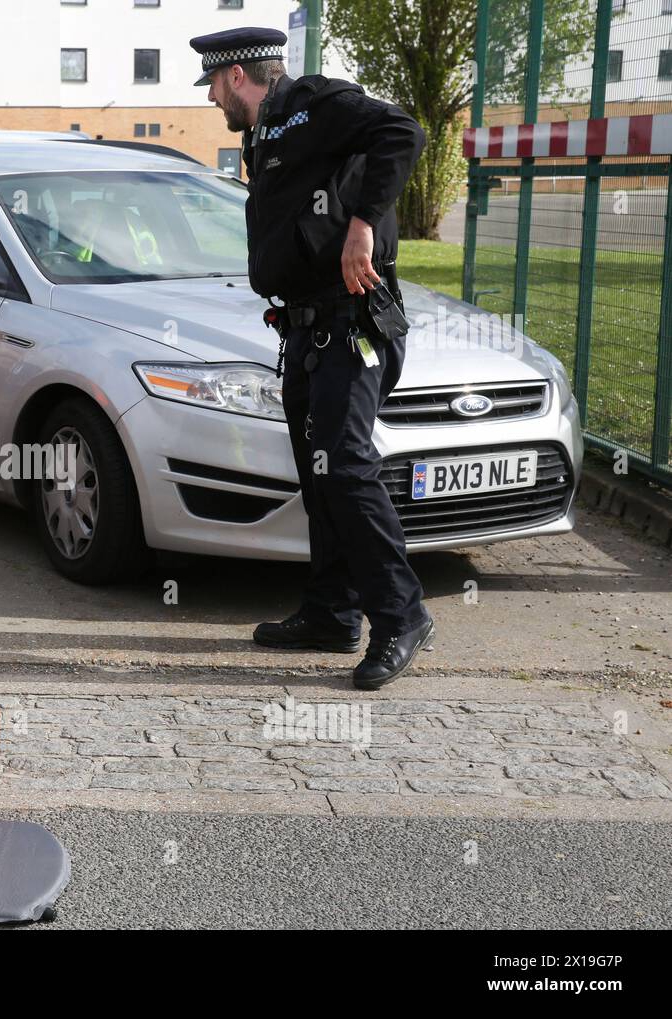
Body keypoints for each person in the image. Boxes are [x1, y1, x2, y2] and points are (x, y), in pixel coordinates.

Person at [190, 27, 434, 690]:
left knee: (347, 467)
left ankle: (401, 614)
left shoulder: (316, 103)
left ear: (237, 76)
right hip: (304, 331)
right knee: (321, 473)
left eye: (214, 85)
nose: (212, 99)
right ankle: (331, 611)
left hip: (351, 323)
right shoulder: (265, 131)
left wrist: (361, 227)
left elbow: (402, 134)